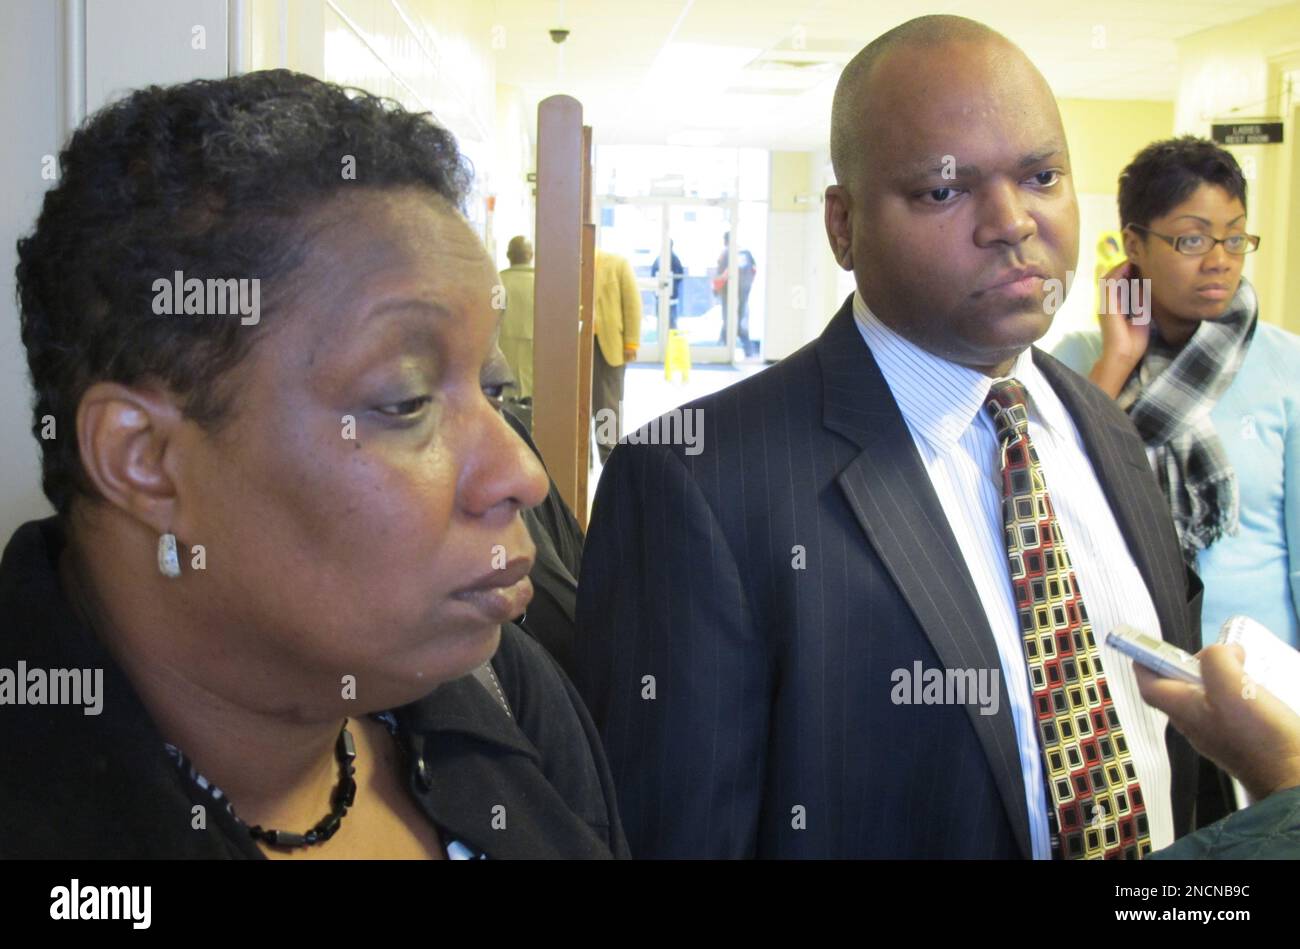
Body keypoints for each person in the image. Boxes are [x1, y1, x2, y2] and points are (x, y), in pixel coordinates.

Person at [575, 15, 1216, 859]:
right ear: (842, 226)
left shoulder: (1100, 423)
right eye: (943, 191)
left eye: (1043, 175)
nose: (1012, 222)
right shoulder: (696, 483)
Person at [0, 70, 628, 860]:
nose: (523, 477)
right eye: (404, 401)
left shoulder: (506, 688)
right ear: (145, 459)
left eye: (494, 390)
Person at [1052, 137, 1300, 650]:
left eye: (1234, 239)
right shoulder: (1077, 363)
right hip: (1121, 656)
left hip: (1257, 674)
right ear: (1134, 244)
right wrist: (1119, 358)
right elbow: (1056, 499)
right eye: (1192, 241)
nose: (1220, 261)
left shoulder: (1286, 365)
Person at [591, 249, 642, 466]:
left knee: (607, 405)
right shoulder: (569, 265)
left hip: (609, 346)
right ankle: (584, 461)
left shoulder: (617, 263)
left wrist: (631, 342)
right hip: (575, 345)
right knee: (578, 406)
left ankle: (609, 460)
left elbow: (632, 304)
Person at [497, 235, 536, 403]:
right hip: (536, 349)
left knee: (509, 398)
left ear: (508, 255)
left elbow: (493, 313)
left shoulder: (497, 283)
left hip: (504, 347)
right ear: (531, 255)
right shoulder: (542, 283)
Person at [713, 232, 757, 356]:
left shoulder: (727, 253)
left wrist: (716, 289)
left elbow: (722, 274)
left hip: (729, 291)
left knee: (729, 319)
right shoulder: (745, 252)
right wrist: (747, 284)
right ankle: (746, 350)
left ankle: (723, 349)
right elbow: (754, 270)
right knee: (739, 318)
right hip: (744, 290)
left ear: (725, 240)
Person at [651, 241, 684, 330]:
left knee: (669, 319)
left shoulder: (671, 259)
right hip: (663, 294)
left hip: (669, 295)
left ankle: (669, 339)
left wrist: (673, 285)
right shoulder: (661, 259)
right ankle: (666, 337)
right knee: (666, 319)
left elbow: (679, 275)